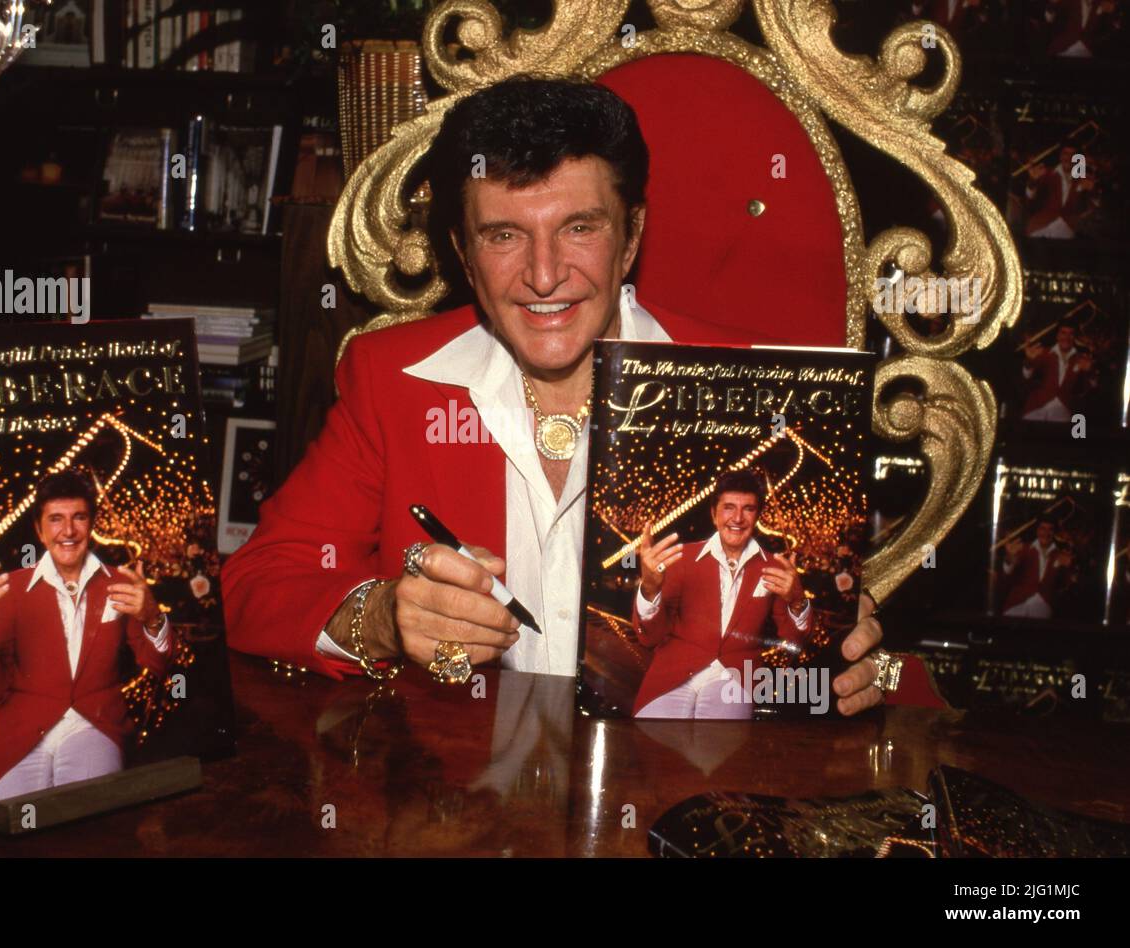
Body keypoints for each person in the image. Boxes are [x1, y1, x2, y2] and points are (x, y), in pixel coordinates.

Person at [222, 76, 888, 715]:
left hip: (684, 772)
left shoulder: (759, 390)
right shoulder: (392, 379)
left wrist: (844, 659)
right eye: (504, 235)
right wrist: (381, 619)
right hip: (461, 782)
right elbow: (255, 584)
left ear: (630, 237)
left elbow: (819, 639)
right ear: (463, 252)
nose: (543, 276)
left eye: (579, 228)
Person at [0, 471, 173, 804]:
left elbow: (161, 663)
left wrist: (153, 618)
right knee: (7, 820)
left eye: (79, 517)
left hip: (96, 725)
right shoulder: (8, 590)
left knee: (87, 816)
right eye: (56, 519)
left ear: (92, 524)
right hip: (21, 733)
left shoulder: (123, 582)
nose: (68, 531)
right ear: (39, 530)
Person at [632, 470, 811, 718]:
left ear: (758, 515)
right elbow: (650, 637)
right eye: (728, 507)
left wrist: (797, 600)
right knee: (652, 735)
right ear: (713, 514)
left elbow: (795, 641)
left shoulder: (775, 566)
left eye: (748, 509)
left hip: (736, 676)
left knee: (717, 741)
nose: (737, 518)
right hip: (673, 672)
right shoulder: (680, 559)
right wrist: (649, 589)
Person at [997, 516, 1072, 619]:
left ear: (1054, 533)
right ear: (1037, 531)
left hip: (1043, 606)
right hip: (1017, 603)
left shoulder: (1060, 555)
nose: (1046, 533)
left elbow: (1063, 585)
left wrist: (1067, 568)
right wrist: (1009, 558)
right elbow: (1007, 573)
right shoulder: (1023, 548)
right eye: (1043, 528)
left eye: (1050, 529)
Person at [1021, 322, 1092, 422]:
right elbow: (1027, 375)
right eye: (1063, 333)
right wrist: (1029, 361)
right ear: (1057, 336)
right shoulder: (1044, 352)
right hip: (1036, 407)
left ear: (1074, 337)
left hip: (1063, 411)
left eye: (1071, 334)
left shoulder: (1081, 359)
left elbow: (1087, 388)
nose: (1067, 337)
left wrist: (1090, 372)